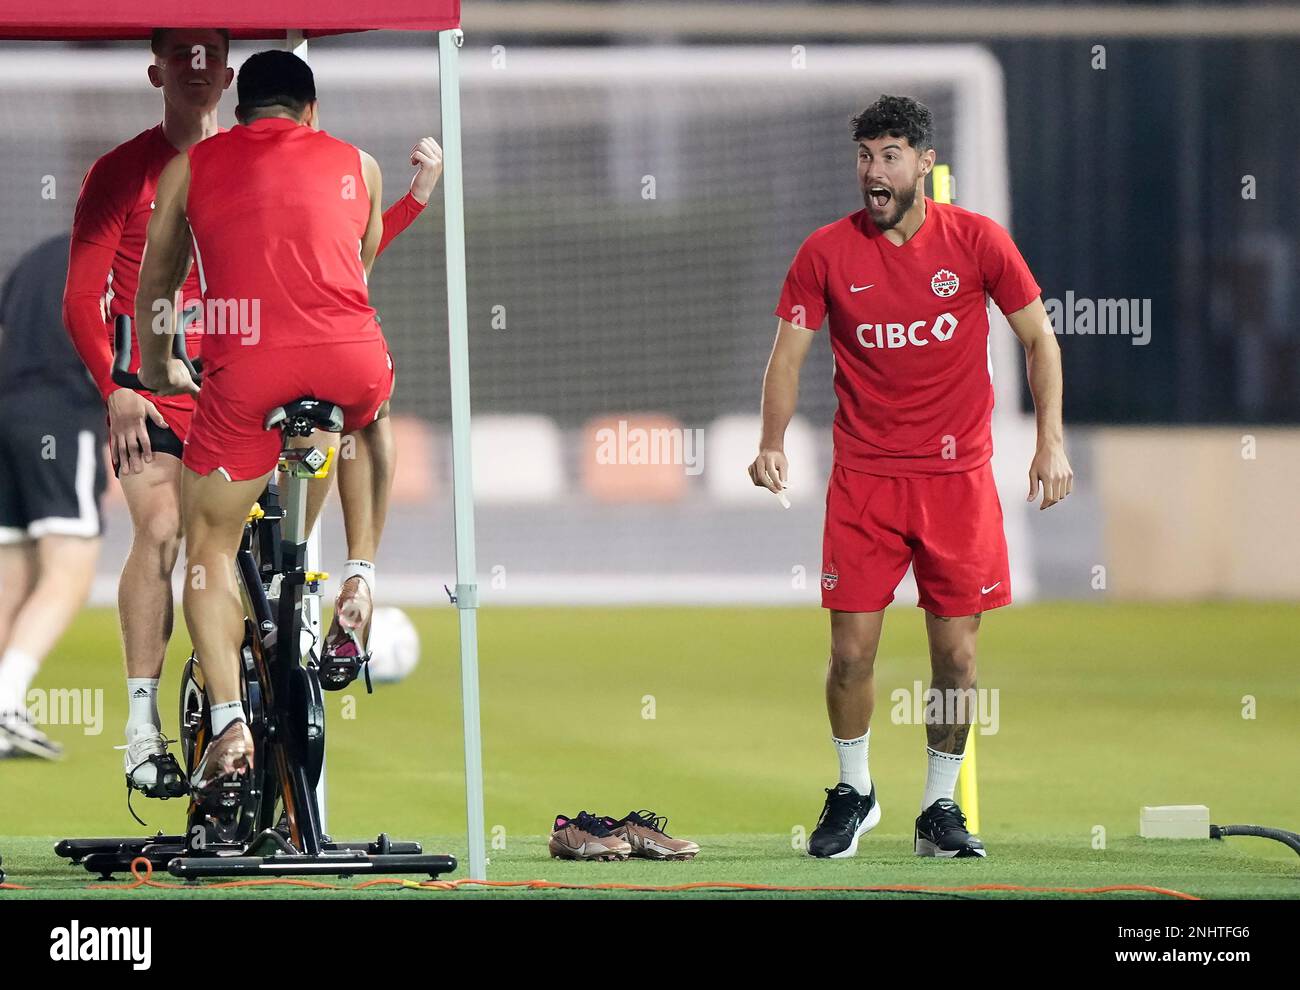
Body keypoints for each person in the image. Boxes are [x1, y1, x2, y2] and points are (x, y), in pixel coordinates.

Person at [62, 27, 441, 794]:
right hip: (172, 390)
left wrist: (412, 204)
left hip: (236, 378)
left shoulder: (202, 167)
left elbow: (307, 259)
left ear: (231, 81)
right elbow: (83, 296)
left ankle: (267, 662)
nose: (196, 70)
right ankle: (143, 729)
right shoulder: (128, 170)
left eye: (209, 58)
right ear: (158, 71)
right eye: (183, 58)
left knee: (241, 536)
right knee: (167, 526)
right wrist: (122, 383)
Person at [750, 95, 1073, 859]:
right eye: (864, 155)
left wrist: (1049, 443)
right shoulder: (826, 252)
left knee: (957, 657)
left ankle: (938, 810)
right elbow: (787, 356)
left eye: (890, 155)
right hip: (864, 480)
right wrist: (771, 442)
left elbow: (1041, 340)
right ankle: (855, 792)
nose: (873, 171)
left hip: (958, 482)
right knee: (851, 653)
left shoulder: (978, 242)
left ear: (924, 163)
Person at [135, 49, 402, 791]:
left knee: (208, 546)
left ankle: (227, 725)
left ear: (240, 107)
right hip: (346, 359)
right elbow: (358, 265)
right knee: (368, 414)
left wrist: (158, 367)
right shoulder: (362, 163)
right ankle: (359, 574)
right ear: (310, 111)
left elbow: (159, 279)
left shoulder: (191, 167)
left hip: (249, 369)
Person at [0, 234, 108, 759]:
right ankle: (7, 703)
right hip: (62, 412)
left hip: (6, 410)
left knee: (12, 575)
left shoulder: (37, 255)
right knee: (69, 568)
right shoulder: (127, 252)